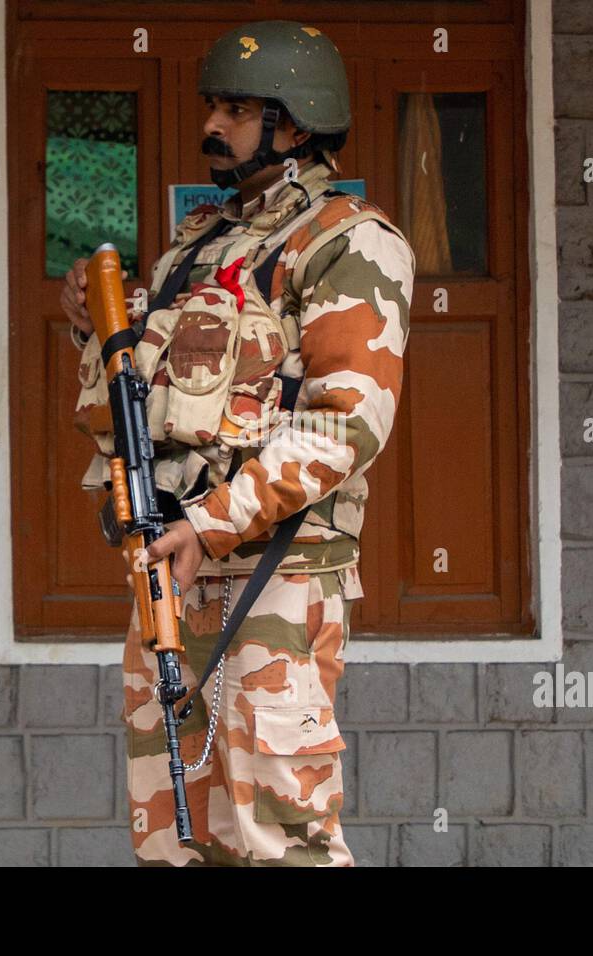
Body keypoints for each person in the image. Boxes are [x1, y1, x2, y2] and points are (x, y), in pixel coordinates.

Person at [60, 19, 415, 866]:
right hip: (171, 577)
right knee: (176, 838)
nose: (214, 126)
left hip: (274, 579)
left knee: (281, 839)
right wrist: (93, 329)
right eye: (213, 105)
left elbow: (343, 423)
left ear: (296, 123)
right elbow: (150, 401)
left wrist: (212, 523)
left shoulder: (347, 241)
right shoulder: (201, 246)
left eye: (239, 109)